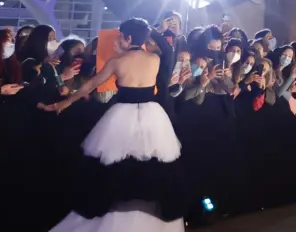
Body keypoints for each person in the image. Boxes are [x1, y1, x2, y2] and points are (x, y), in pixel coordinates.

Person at [41, 17, 187, 231]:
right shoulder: (154, 59)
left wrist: (66, 102)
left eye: (122, 36)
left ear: (127, 37)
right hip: (153, 116)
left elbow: (90, 84)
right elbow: (167, 49)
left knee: (115, 167)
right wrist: (152, 31)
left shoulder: (117, 61)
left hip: (122, 115)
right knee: (153, 165)